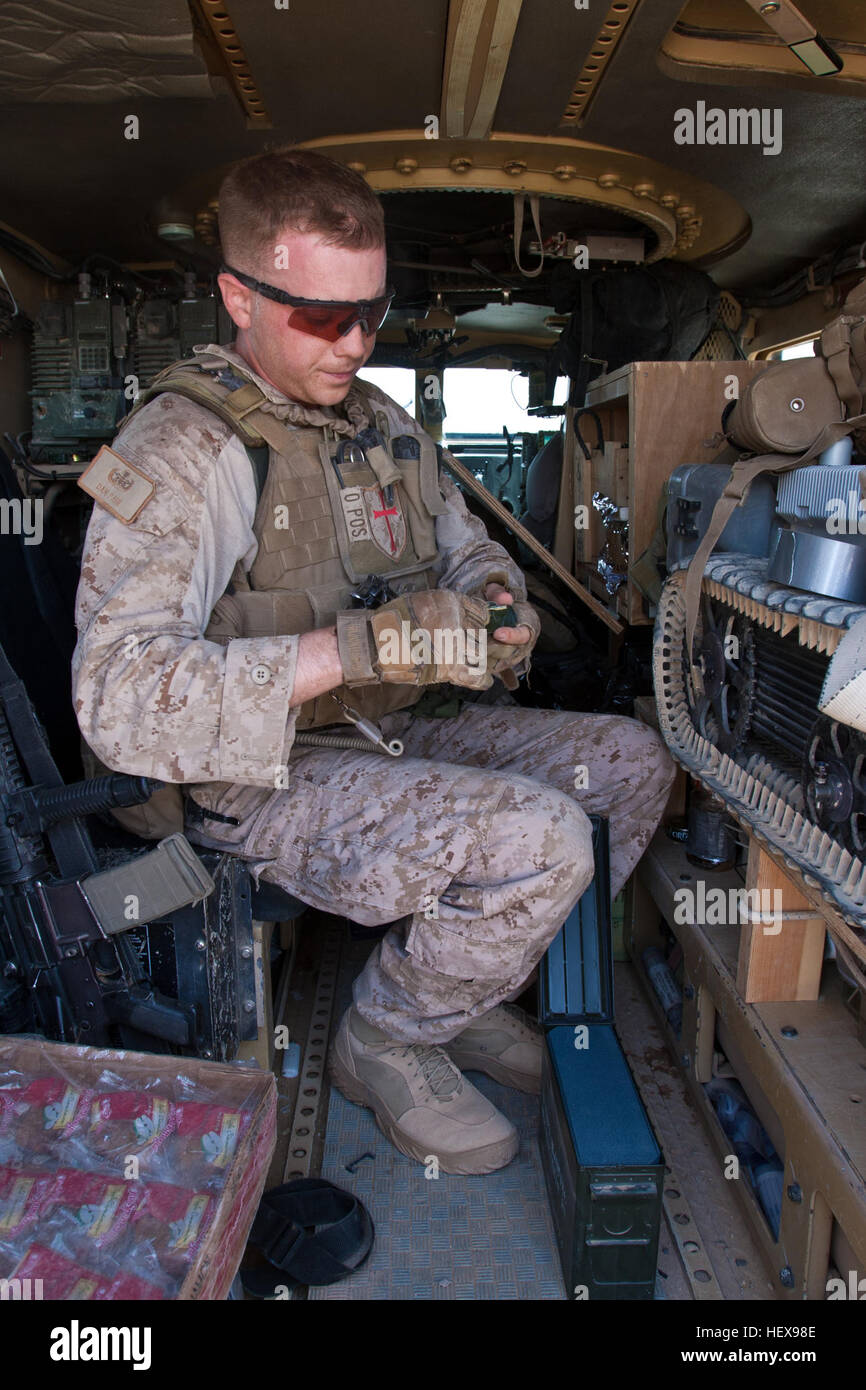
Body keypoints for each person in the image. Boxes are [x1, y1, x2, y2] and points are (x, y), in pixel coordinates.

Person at [73, 147, 675, 1176]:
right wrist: (346, 647)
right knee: (540, 836)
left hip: (393, 724)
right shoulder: (184, 452)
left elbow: (462, 543)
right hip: (256, 777)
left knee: (626, 765)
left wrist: (497, 599)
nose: (354, 343)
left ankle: (457, 990)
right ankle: (385, 1037)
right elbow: (116, 698)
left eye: (371, 311)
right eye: (321, 317)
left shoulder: (377, 422)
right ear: (238, 297)